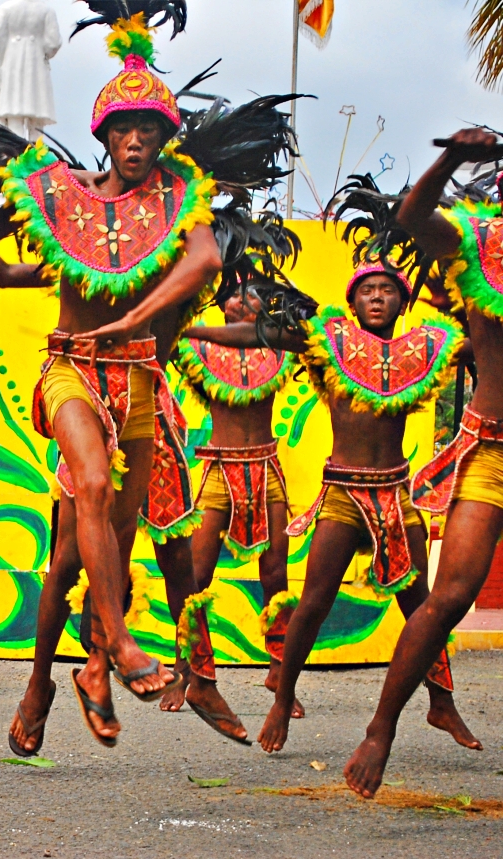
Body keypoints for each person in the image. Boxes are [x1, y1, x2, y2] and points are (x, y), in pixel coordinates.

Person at [0, 1, 228, 746]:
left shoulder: (174, 201)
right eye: (124, 128)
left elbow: (205, 259)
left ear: (166, 138)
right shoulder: (60, 195)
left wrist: (137, 319)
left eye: (151, 129)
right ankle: (118, 648)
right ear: (103, 135)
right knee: (90, 487)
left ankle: (60, 679)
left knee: (85, 558)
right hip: (70, 372)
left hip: (139, 383)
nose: (137, 141)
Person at [186, 180, 479, 756]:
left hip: (397, 495)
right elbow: (258, 333)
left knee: (421, 606)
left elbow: (480, 346)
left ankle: (441, 704)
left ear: (401, 301)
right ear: (352, 302)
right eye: (366, 290)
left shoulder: (424, 345)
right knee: (313, 602)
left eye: (386, 290)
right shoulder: (329, 341)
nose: (376, 297)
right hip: (343, 494)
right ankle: (281, 694)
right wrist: (192, 328)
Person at [344, 127, 503, 797]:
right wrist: (453, 160)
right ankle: (381, 727)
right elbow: (409, 217)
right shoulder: (481, 245)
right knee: (449, 595)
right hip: (492, 447)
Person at [177, 281, 304, 720]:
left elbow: (308, 331)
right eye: (232, 293)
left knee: (275, 576)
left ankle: (279, 674)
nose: (242, 300)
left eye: (252, 293)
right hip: (218, 469)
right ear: (220, 304)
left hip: (266, 468)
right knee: (195, 575)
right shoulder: (198, 349)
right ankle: (187, 673)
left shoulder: (279, 347)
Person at [0, 0, 63, 141]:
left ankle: (14, 154)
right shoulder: (47, 10)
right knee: (37, 118)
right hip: (37, 67)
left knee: (13, 115)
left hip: (12, 65)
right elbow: (53, 43)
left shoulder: (7, 8)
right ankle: (38, 157)